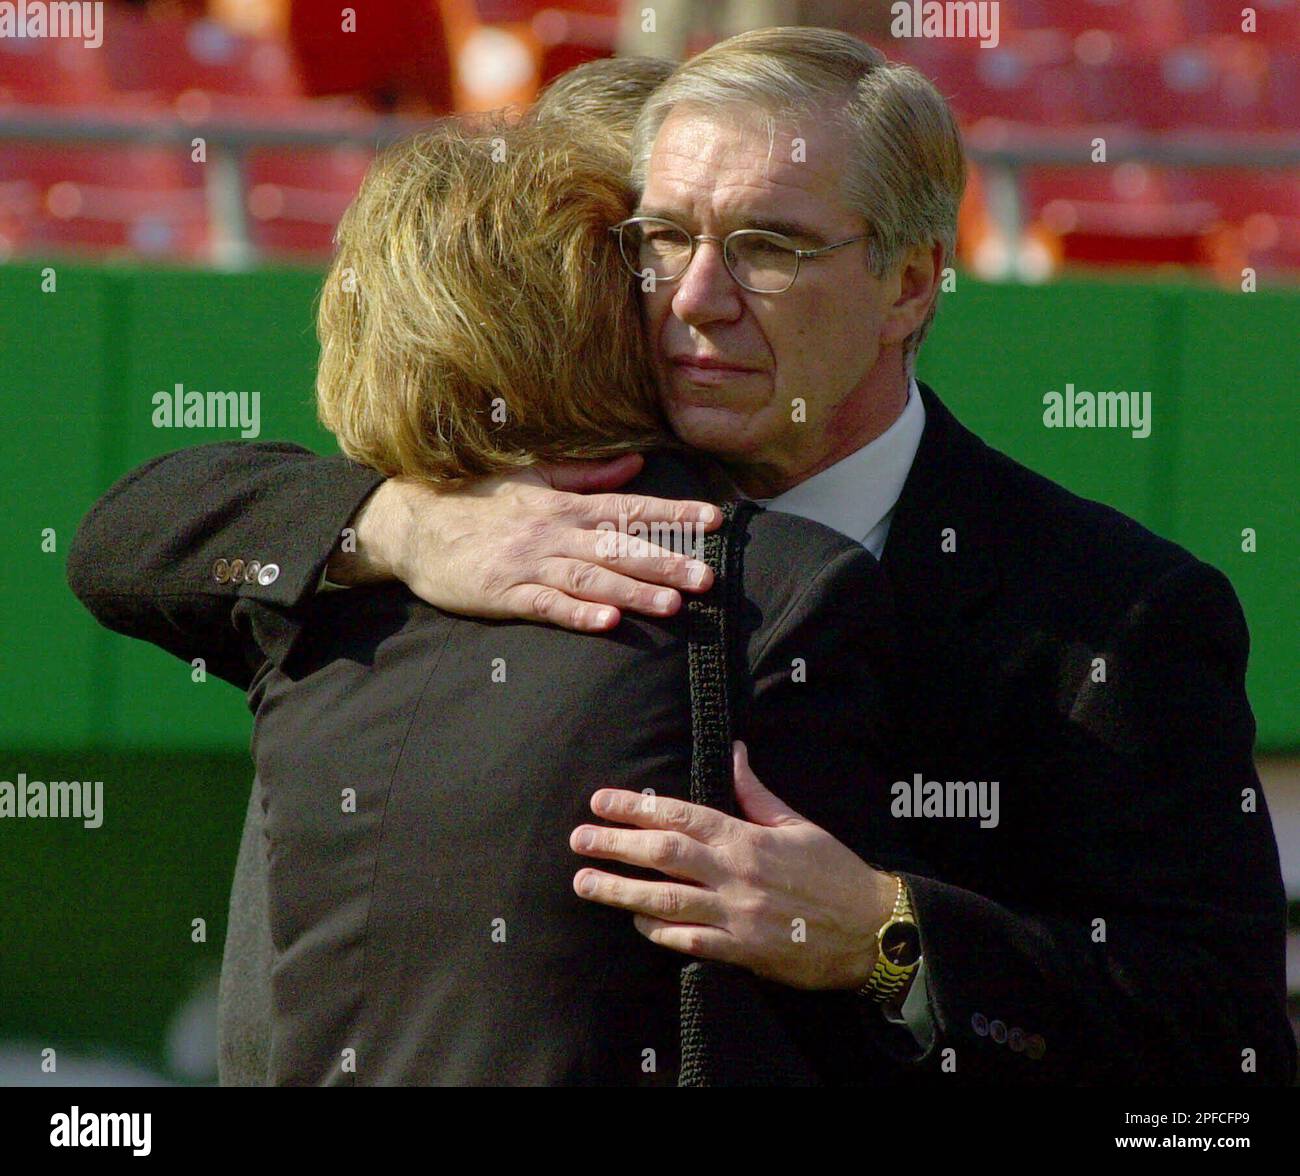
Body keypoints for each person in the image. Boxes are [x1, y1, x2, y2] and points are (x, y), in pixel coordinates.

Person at [68, 28, 1297, 1084]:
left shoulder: (1117, 614)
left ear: (911, 282)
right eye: (663, 238)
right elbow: (129, 538)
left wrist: (887, 935)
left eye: (770, 245)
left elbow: (1217, 1052)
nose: (696, 298)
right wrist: (399, 525)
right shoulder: (512, 507)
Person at [71, 107, 914, 1083]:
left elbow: (118, 537)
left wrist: (386, 525)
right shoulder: (786, 586)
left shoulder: (319, 599)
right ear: (624, 322)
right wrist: (400, 522)